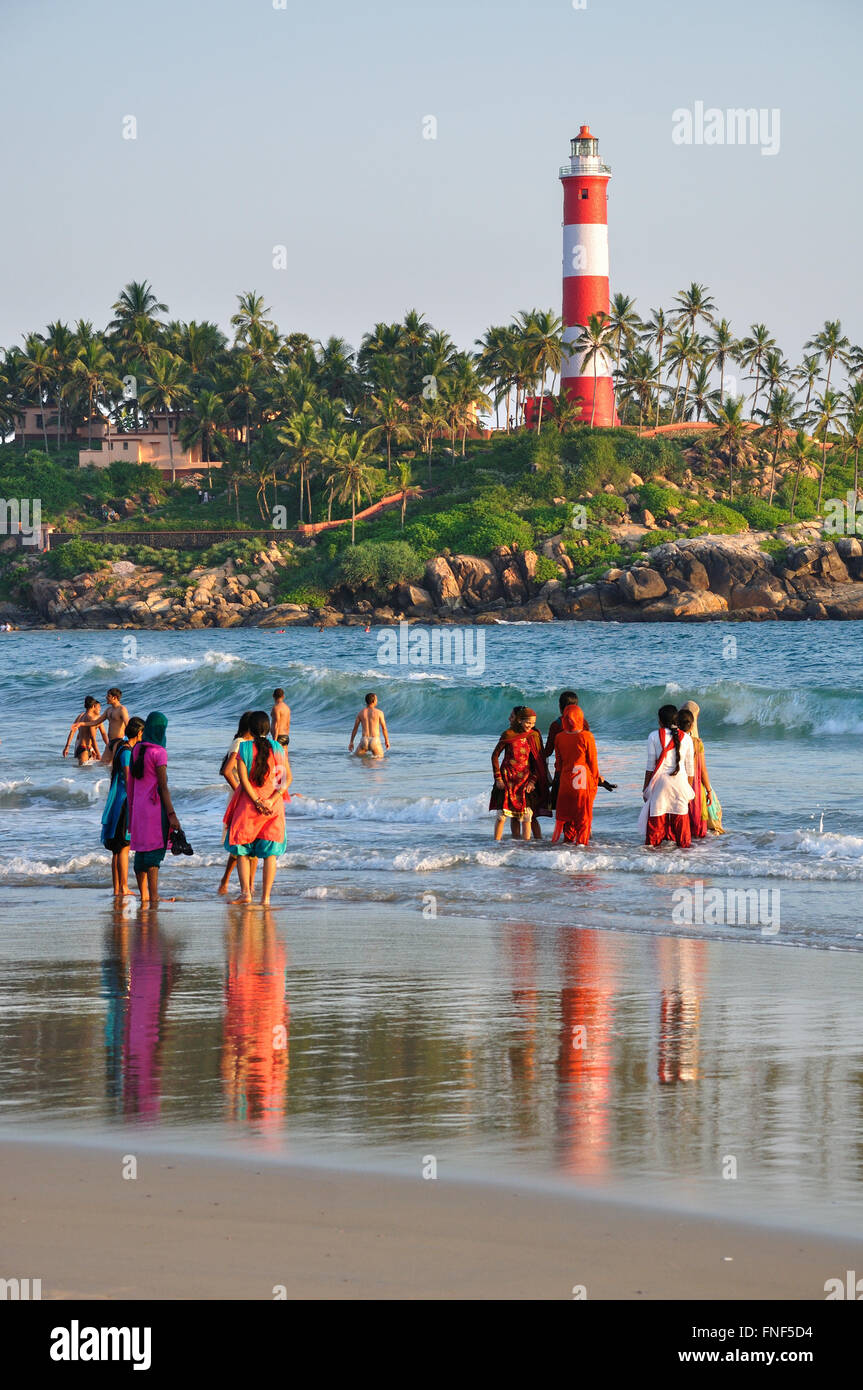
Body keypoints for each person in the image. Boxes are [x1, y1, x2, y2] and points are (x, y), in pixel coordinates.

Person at [223, 711, 291, 906]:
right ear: (268, 729)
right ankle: (266, 898)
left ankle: (246, 893)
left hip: (248, 806)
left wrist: (256, 801)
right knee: (270, 853)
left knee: (243, 850)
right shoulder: (278, 747)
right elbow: (285, 780)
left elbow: (243, 780)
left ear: (250, 730)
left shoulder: (244, 747)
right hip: (273, 807)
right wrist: (270, 800)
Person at [128, 711, 181, 905]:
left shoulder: (137, 750)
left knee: (141, 853)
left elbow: (131, 783)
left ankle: (145, 897)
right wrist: (172, 815)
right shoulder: (159, 753)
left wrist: (130, 813)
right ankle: (155, 897)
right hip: (154, 811)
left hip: (138, 810)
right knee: (154, 855)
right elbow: (163, 787)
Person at [551, 704, 616, 844]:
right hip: (581, 779)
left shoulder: (559, 737)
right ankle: (582, 846)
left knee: (568, 816)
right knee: (583, 815)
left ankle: (567, 843)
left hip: (566, 780)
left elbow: (558, 764)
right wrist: (597, 778)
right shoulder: (586, 736)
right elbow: (592, 762)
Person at [100, 716, 145, 895]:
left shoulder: (121, 747)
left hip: (117, 799)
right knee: (123, 847)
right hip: (123, 802)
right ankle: (123, 887)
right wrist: (135, 802)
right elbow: (128, 778)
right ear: (139, 732)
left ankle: (118, 888)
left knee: (117, 849)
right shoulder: (127, 751)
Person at [641, 705, 695, 849]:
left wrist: (645, 788)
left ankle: (653, 860)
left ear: (660, 721)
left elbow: (650, 766)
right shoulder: (687, 738)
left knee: (656, 823)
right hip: (681, 782)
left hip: (660, 783)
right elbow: (690, 769)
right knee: (682, 824)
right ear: (676, 720)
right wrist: (687, 789)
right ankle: (686, 859)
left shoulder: (653, 736)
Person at [490, 708, 544, 842]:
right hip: (507, 780)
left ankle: (525, 846)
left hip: (525, 780)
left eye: (533, 723)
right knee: (502, 815)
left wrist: (532, 781)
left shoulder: (533, 735)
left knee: (527, 816)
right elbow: (495, 756)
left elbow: (538, 762)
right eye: (528, 723)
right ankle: (495, 845)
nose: (530, 726)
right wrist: (498, 778)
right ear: (520, 720)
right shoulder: (508, 734)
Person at [218, 711, 255, 895]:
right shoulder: (240, 742)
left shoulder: (249, 744)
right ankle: (226, 882)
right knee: (239, 845)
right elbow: (227, 771)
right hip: (240, 798)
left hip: (249, 797)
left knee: (252, 844)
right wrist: (240, 790)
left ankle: (250, 885)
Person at [678, 700, 722, 836]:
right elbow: (702, 769)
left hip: (677, 784)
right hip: (695, 785)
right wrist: (708, 789)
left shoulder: (673, 740)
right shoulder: (696, 743)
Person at [543, 690, 590, 811]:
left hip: (562, 772)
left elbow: (548, 751)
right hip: (580, 771)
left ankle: (566, 830)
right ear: (577, 706)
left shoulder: (556, 725)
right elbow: (588, 750)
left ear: (560, 706)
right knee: (578, 808)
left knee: (562, 809)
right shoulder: (584, 724)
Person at [78, 688, 130, 764]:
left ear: (114, 697)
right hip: (110, 742)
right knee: (103, 764)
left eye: (108, 696)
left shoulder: (122, 709)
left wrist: (128, 741)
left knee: (114, 765)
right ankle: (104, 777)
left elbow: (128, 725)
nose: (106, 697)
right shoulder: (109, 710)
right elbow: (96, 722)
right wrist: (81, 724)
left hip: (119, 741)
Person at [62, 696, 107, 764]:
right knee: (86, 771)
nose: (100, 708)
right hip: (85, 750)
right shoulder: (91, 719)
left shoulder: (80, 716)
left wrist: (67, 747)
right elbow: (93, 738)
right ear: (94, 706)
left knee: (83, 772)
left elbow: (72, 732)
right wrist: (98, 754)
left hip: (80, 748)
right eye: (99, 706)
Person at [349, 693, 390, 758]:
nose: (377, 701)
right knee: (380, 761)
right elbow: (384, 728)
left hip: (364, 740)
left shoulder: (361, 713)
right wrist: (386, 741)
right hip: (375, 740)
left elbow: (355, 728)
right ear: (373, 701)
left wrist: (351, 742)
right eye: (376, 699)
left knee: (357, 758)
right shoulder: (379, 712)